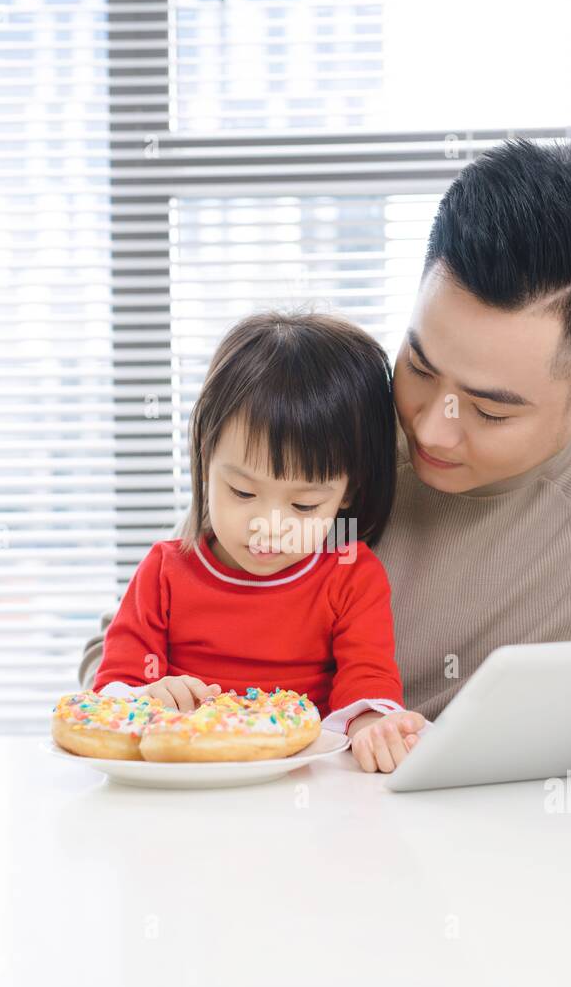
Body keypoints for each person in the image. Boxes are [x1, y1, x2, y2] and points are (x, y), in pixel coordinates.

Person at [81, 140, 571, 778]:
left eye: (490, 410)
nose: (429, 429)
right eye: (419, 367)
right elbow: (115, 653)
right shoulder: (333, 441)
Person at [89, 311, 424, 773]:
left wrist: (371, 724)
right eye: (243, 493)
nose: (269, 525)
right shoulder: (165, 570)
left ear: (347, 493)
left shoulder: (351, 572)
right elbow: (116, 683)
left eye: (305, 505)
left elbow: (366, 677)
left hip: (302, 778)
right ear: (206, 458)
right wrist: (145, 697)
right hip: (188, 776)